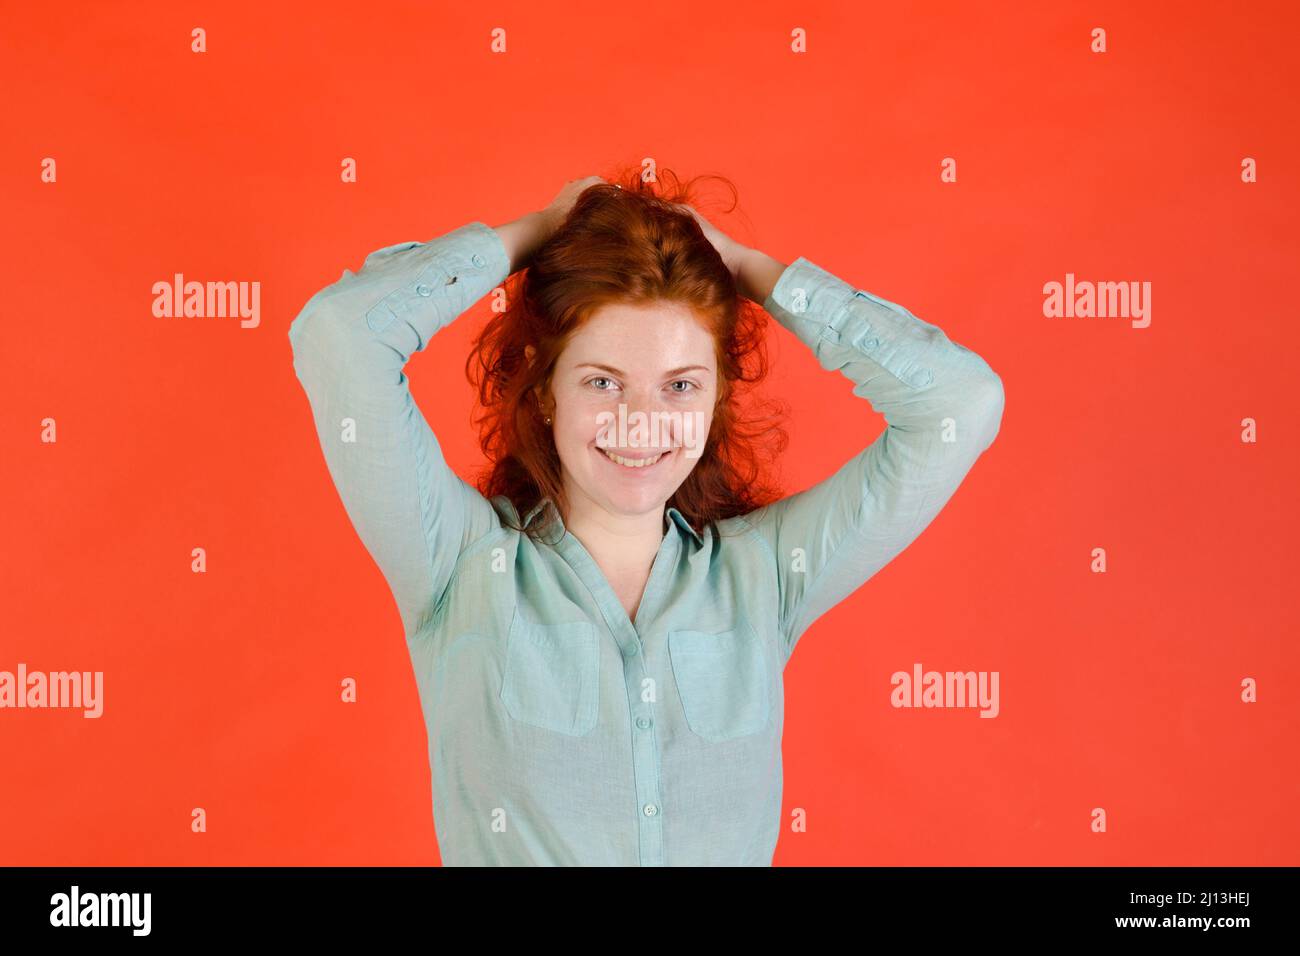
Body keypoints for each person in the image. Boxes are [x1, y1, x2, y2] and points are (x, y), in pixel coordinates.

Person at [288, 171, 1005, 865]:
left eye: (680, 386)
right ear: (545, 394)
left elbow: (959, 404)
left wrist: (746, 268)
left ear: (717, 397)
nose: (641, 423)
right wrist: (535, 233)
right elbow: (339, 337)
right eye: (603, 381)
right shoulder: (457, 562)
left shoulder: (765, 576)